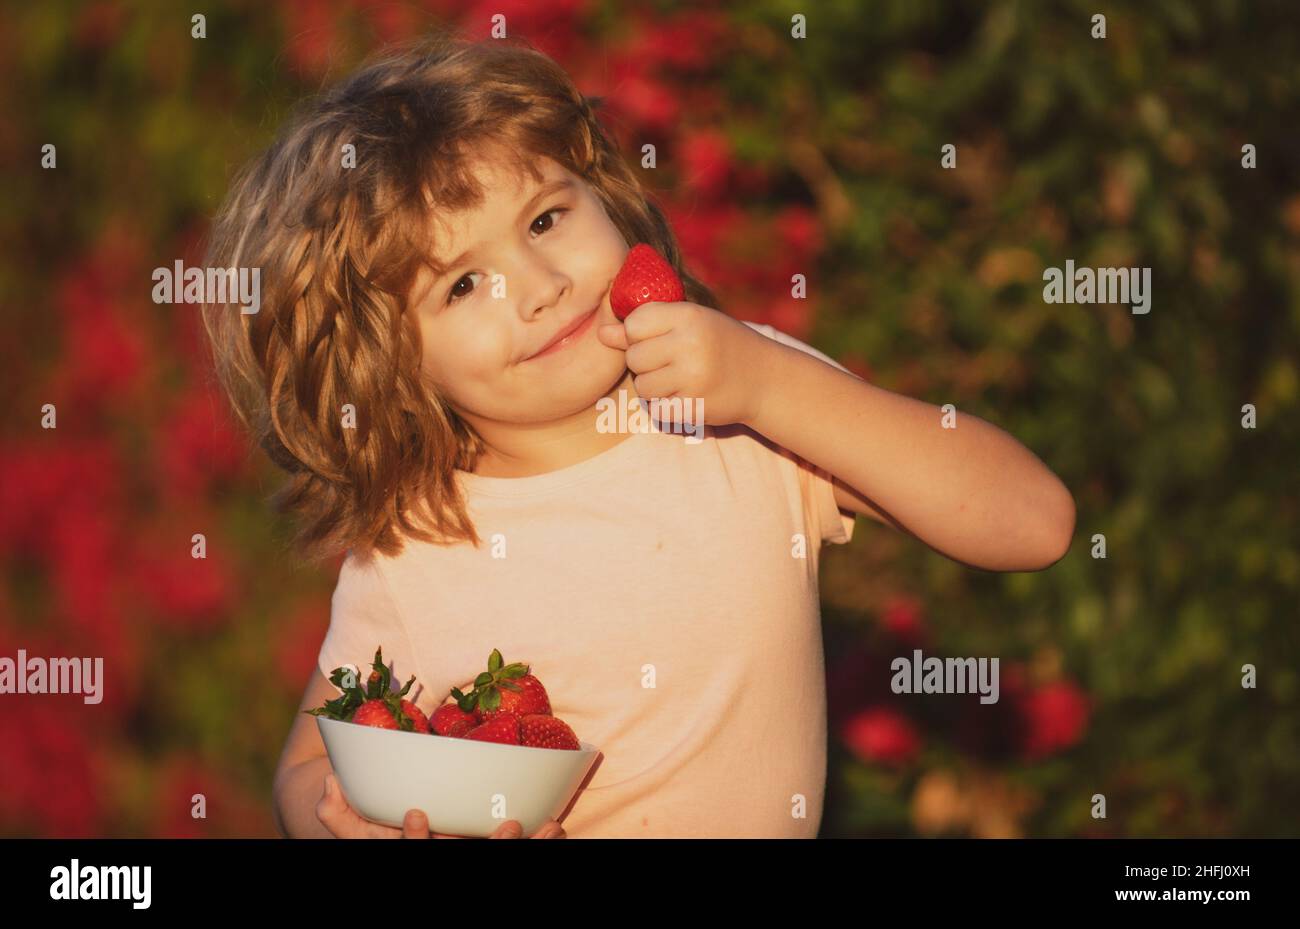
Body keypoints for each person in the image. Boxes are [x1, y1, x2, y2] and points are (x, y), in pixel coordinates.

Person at [201, 30, 1074, 838]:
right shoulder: (416, 534)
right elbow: (309, 767)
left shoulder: (746, 411)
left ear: (606, 199)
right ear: (389, 363)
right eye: (462, 285)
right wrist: (341, 824)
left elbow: (1034, 521)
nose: (538, 285)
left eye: (545, 220)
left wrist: (774, 387)